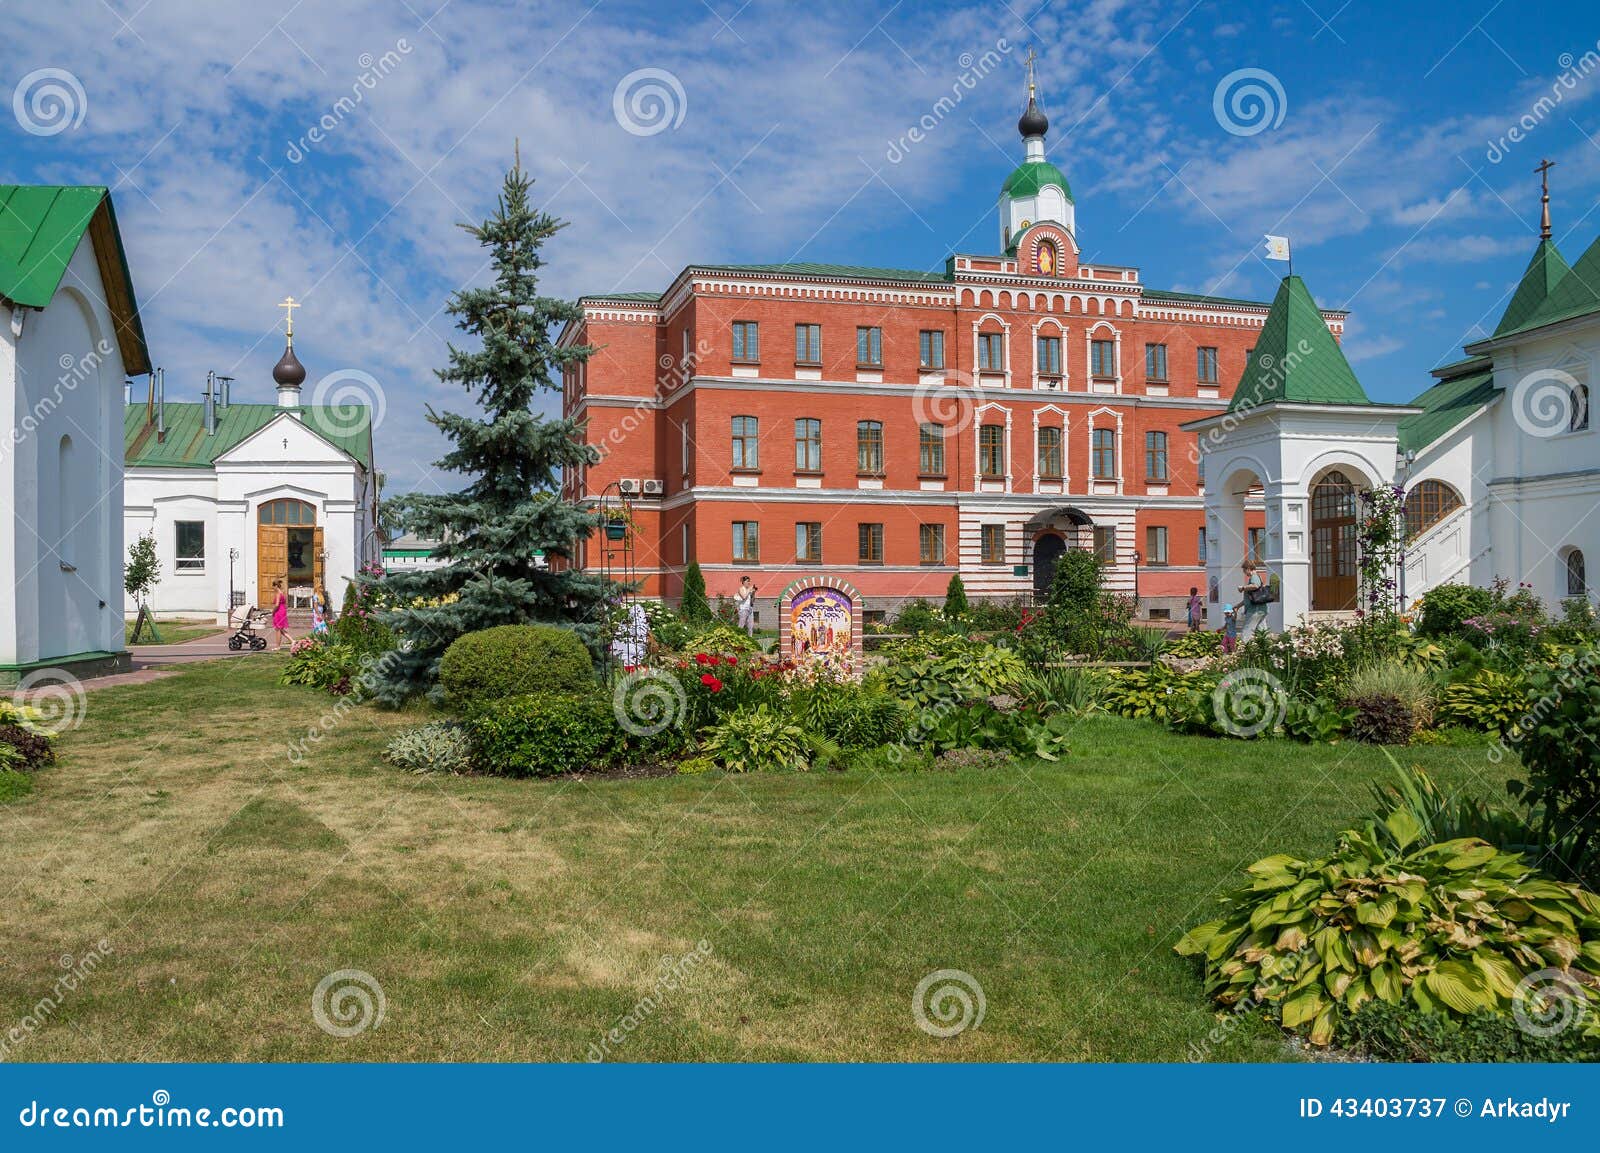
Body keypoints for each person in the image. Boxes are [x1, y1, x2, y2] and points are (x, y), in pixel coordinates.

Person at [1238, 562, 1269, 636]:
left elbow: (1255, 586)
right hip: (1261, 609)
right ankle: (1266, 647)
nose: (1244, 573)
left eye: (1244, 571)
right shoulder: (1257, 577)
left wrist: (1243, 588)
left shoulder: (1254, 577)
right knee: (1262, 633)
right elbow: (1251, 598)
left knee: (1246, 631)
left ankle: (1243, 646)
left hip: (1254, 610)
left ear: (1248, 569)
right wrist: (1238, 606)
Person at [271, 579, 293, 650]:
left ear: (276, 586)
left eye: (273, 587)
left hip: (279, 612)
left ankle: (277, 646)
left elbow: (277, 605)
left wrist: (273, 611)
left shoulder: (278, 594)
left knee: (278, 629)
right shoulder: (282, 593)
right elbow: (283, 603)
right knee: (280, 629)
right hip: (283, 611)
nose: (273, 588)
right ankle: (292, 641)